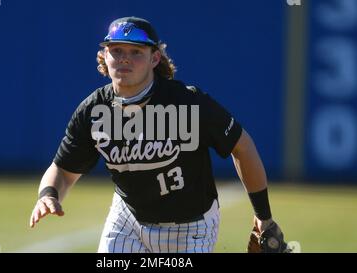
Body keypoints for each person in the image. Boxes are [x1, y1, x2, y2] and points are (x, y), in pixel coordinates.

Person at [29, 16, 286, 253]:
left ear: (155, 58)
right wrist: (48, 195)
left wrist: (263, 217)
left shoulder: (187, 102)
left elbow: (242, 146)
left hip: (190, 228)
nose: (124, 58)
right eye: (116, 50)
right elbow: (63, 169)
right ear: (104, 56)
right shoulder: (95, 111)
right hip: (127, 218)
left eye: (136, 52)